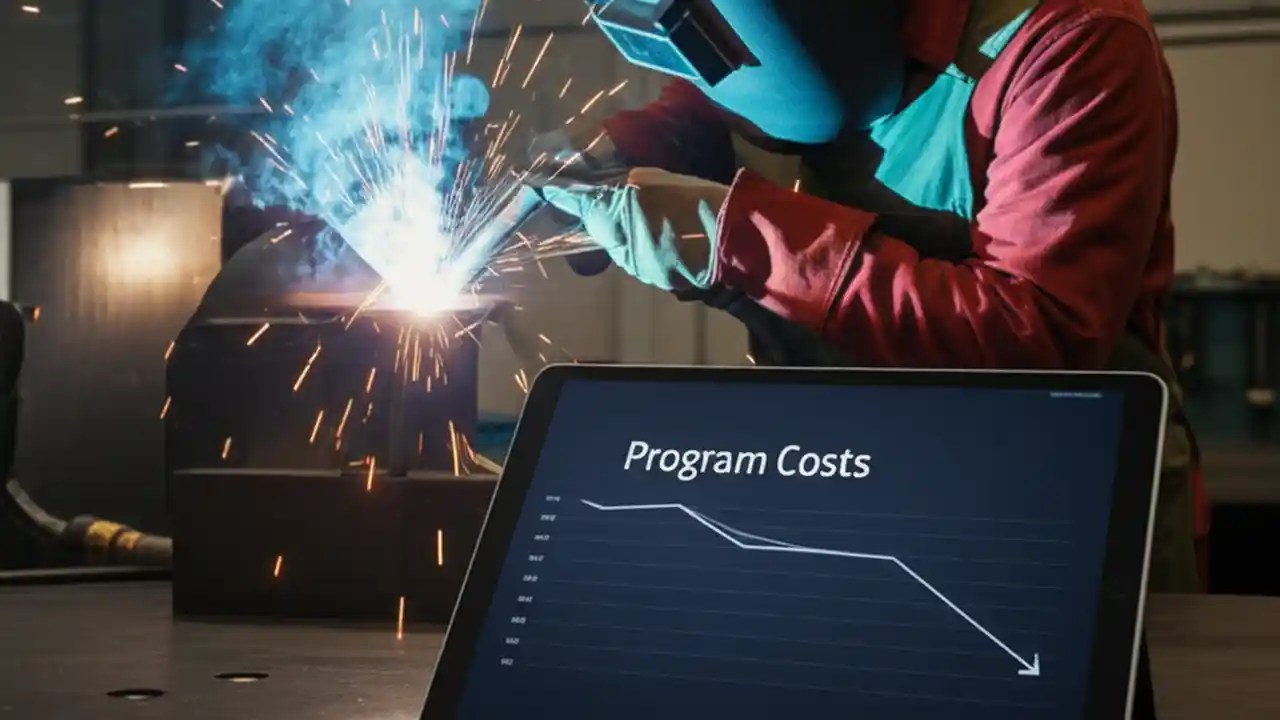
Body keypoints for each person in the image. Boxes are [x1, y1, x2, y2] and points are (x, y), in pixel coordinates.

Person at [534, 0, 1206, 594]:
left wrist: (744, 240)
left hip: (1053, 515)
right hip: (838, 483)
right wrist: (622, 152)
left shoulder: (1069, 40)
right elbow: (711, 110)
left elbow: (1041, 341)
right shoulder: (753, 30)